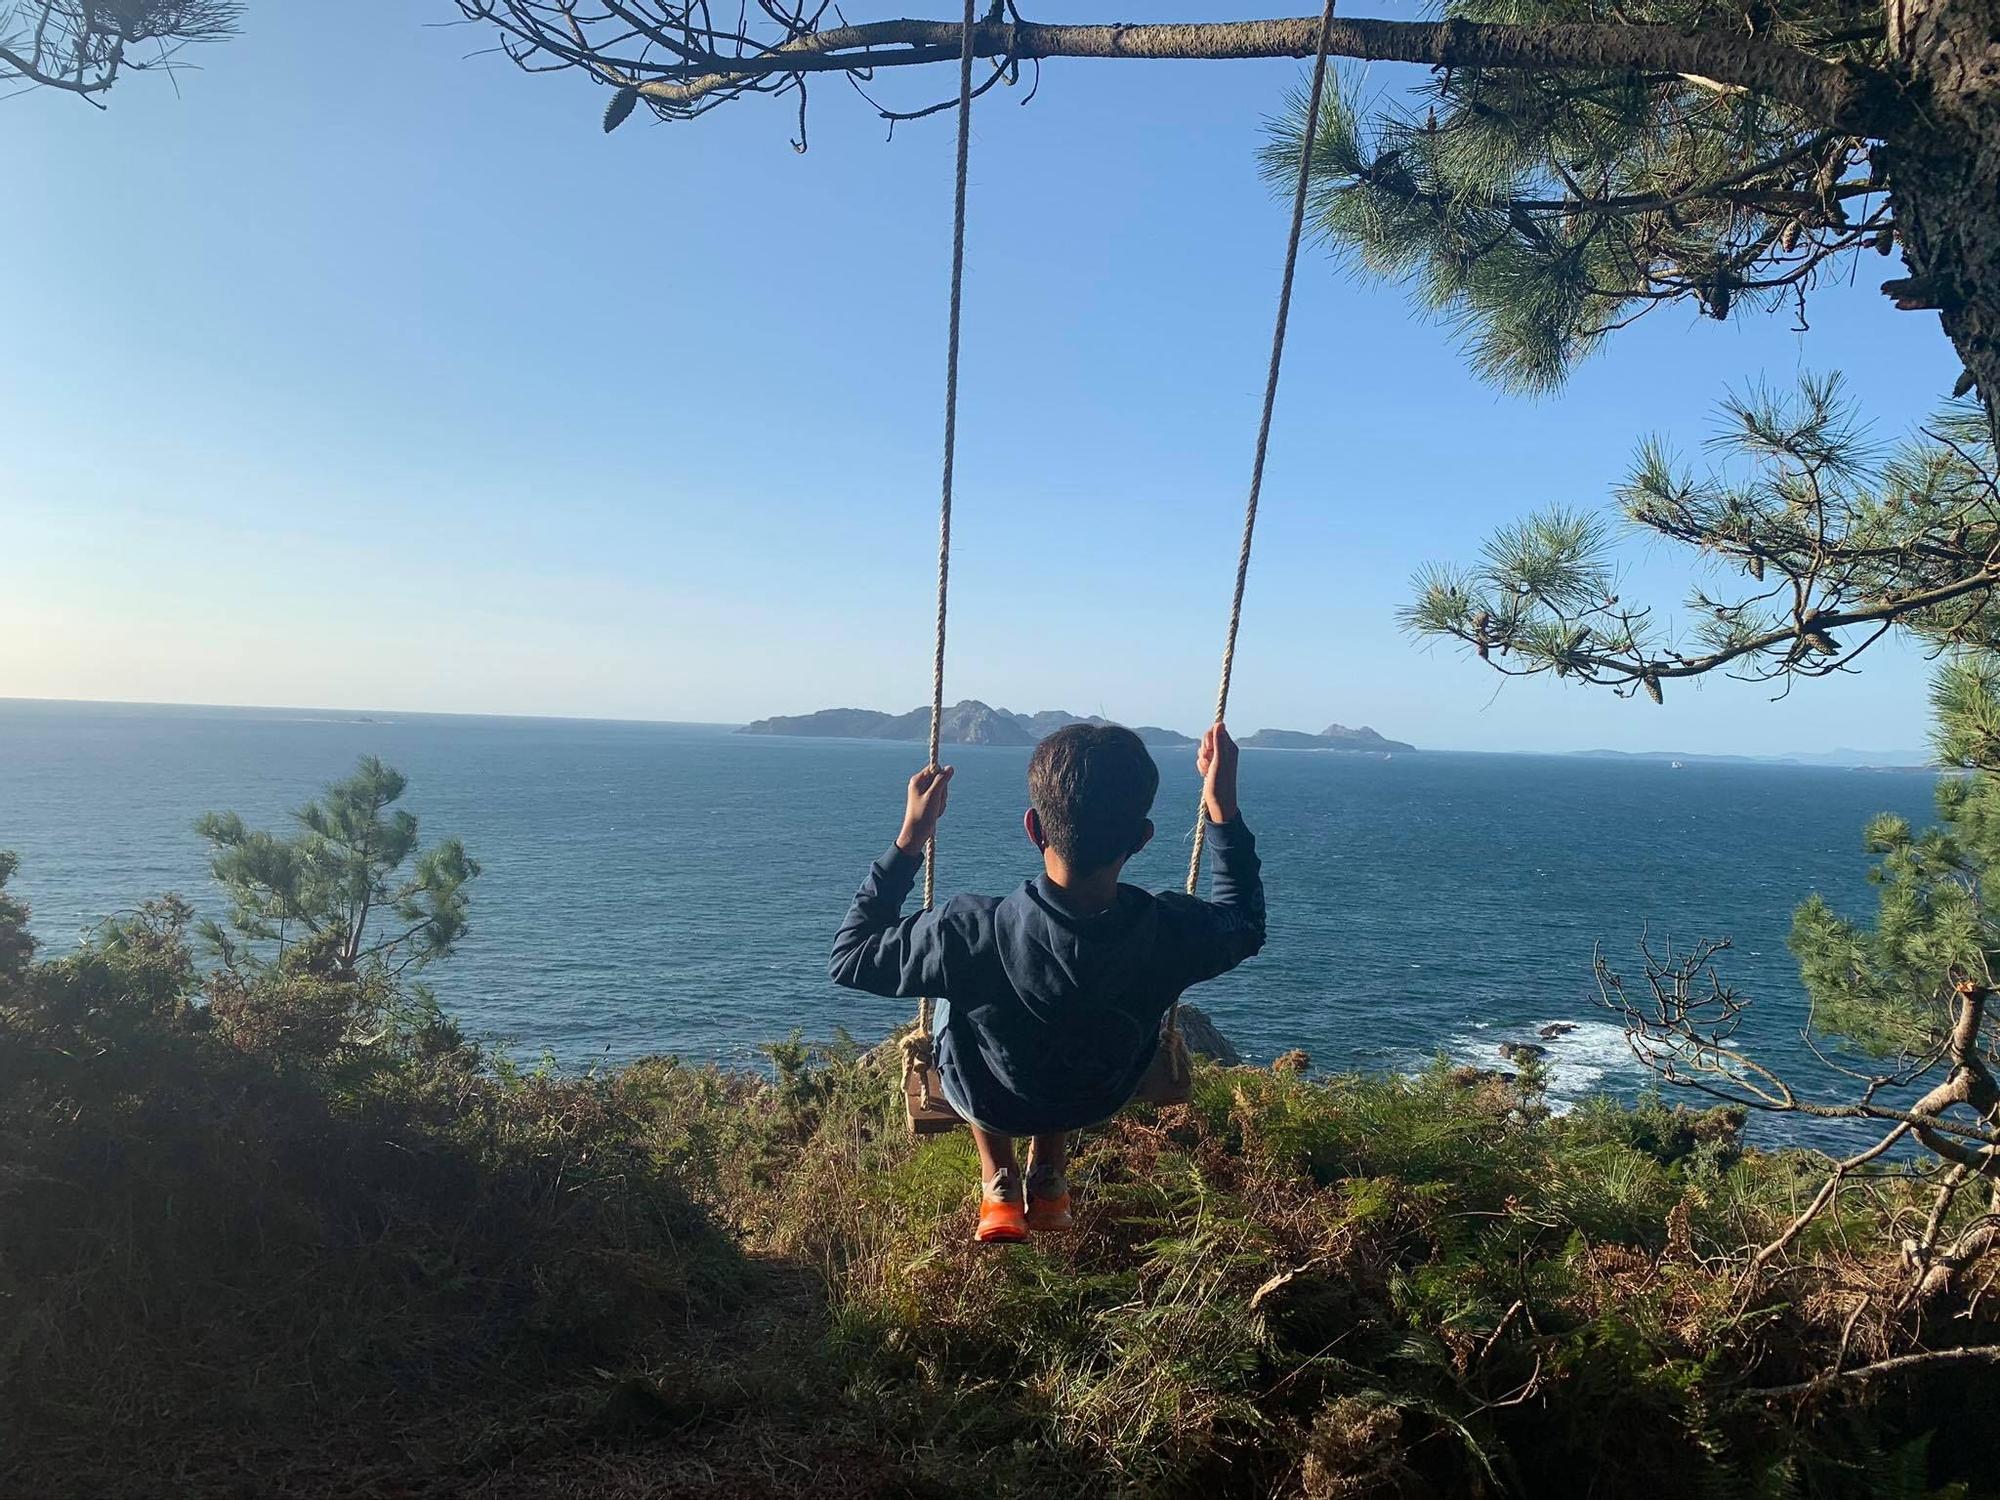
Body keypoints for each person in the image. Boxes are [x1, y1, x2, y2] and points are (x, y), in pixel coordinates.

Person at [829, 721, 1266, 1242]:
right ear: (1142, 840)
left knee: (954, 1003)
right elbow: (1244, 921)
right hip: (1095, 1097)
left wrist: (909, 840)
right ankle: (1049, 1172)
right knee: (1073, 1013)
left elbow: (850, 956)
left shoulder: (966, 931)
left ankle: (1000, 1181)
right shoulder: (1170, 930)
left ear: (1035, 828)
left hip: (996, 1099)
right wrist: (1223, 808)